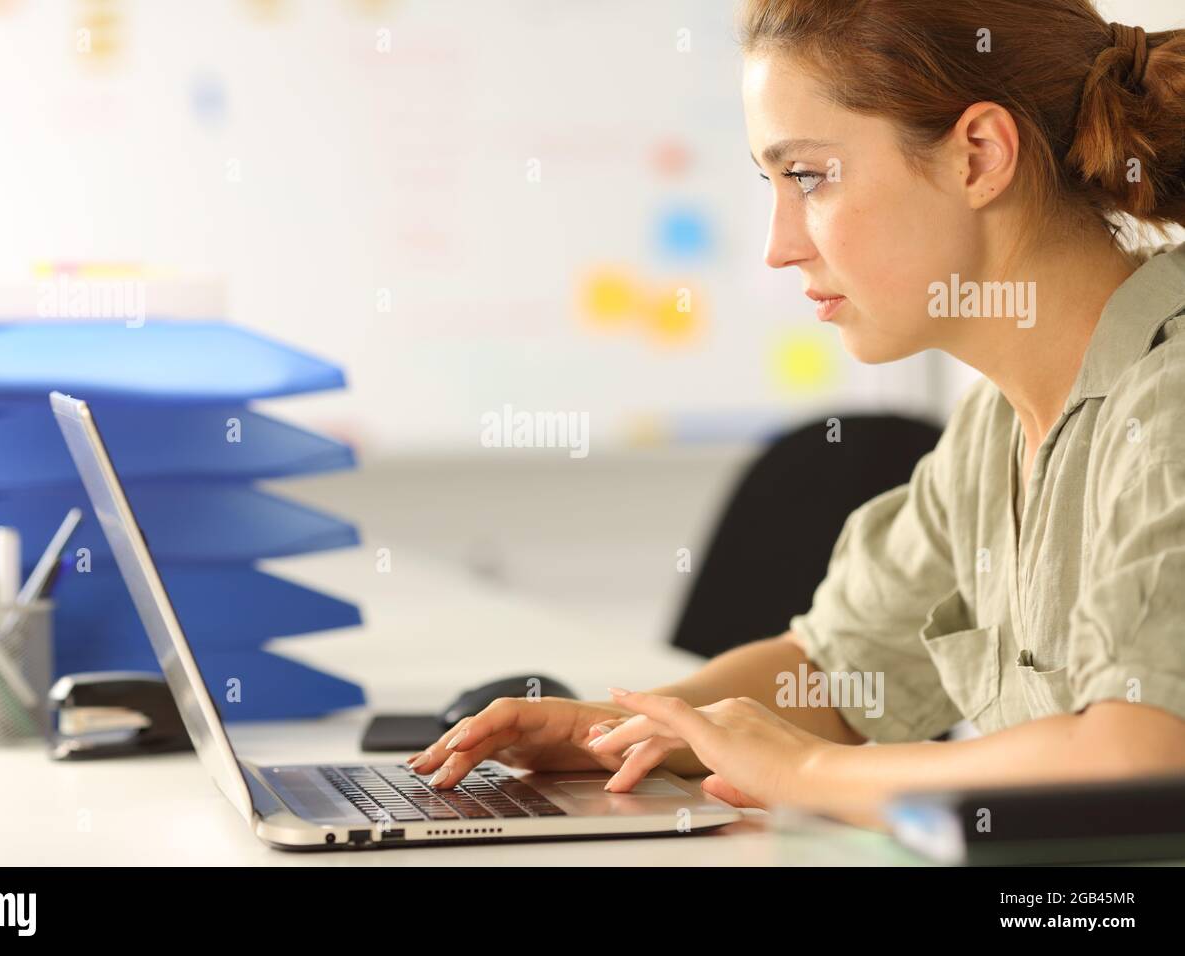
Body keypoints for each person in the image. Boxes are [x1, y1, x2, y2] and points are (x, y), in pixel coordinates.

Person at [408, 0, 1185, 829]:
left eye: (809, 176)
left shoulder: (1166, 407)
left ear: (979, 157)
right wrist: (626, 728)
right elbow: (836, 673)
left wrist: (803, 769)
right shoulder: (999, 426)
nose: (779, 245)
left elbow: (1137, 758)